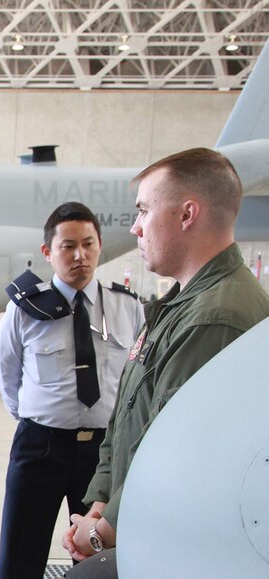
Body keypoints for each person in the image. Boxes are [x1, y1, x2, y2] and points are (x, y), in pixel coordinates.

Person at [63, 148, 269, 577]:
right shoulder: (182, 305)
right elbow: (126, 419)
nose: (135, 227)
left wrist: (105, 530)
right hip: (144, 521)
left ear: (187, 214)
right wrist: (101, 503)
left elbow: (173, 450)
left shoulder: (217, 318)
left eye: (143, 210)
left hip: (179, 540)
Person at [0, 203, 144, 579]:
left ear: (99, 245)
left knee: (99, 560)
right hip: (39, 448)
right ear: (48, 252)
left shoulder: (127, 307)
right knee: (19, 559)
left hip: (104, 453)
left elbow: (137, 379)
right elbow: (7, 377)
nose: (81, 256)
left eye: (89, 244)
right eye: (68, 246)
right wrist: (41, 417)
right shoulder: (24, 310)